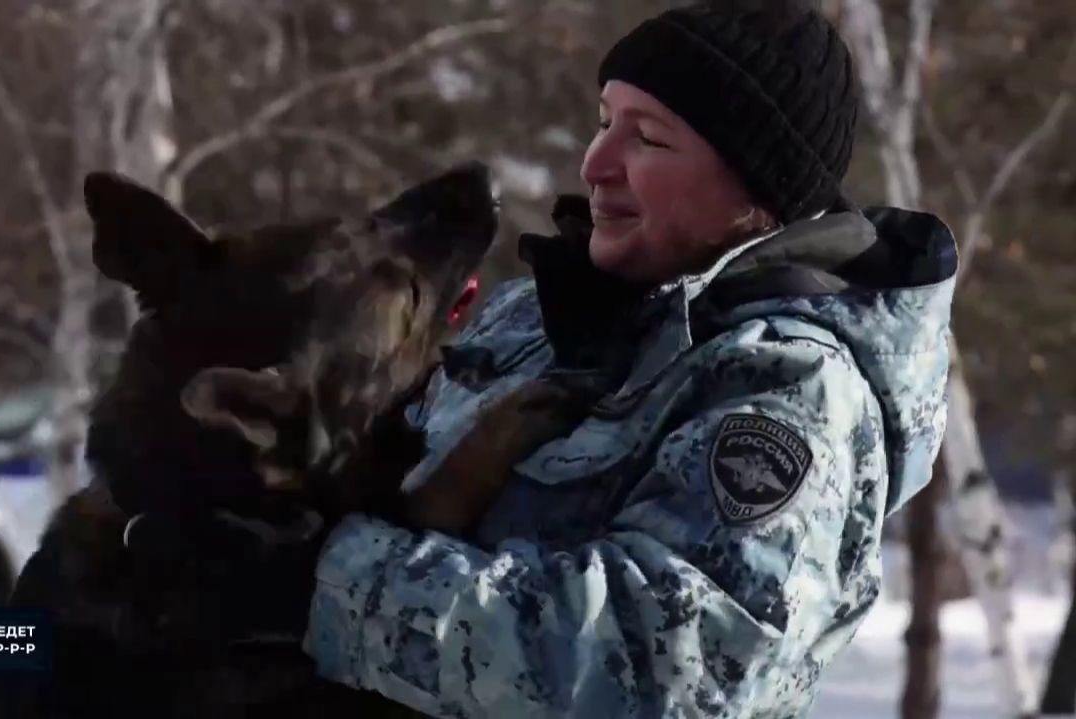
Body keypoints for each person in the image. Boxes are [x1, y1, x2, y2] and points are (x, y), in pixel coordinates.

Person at [294, 1, 958, 717]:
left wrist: (318, 582)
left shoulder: (787, 389)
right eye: (605, 121)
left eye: (647, 139)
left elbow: (660, 671)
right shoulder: (538, 316)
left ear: (757, 188)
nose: (595, 164)